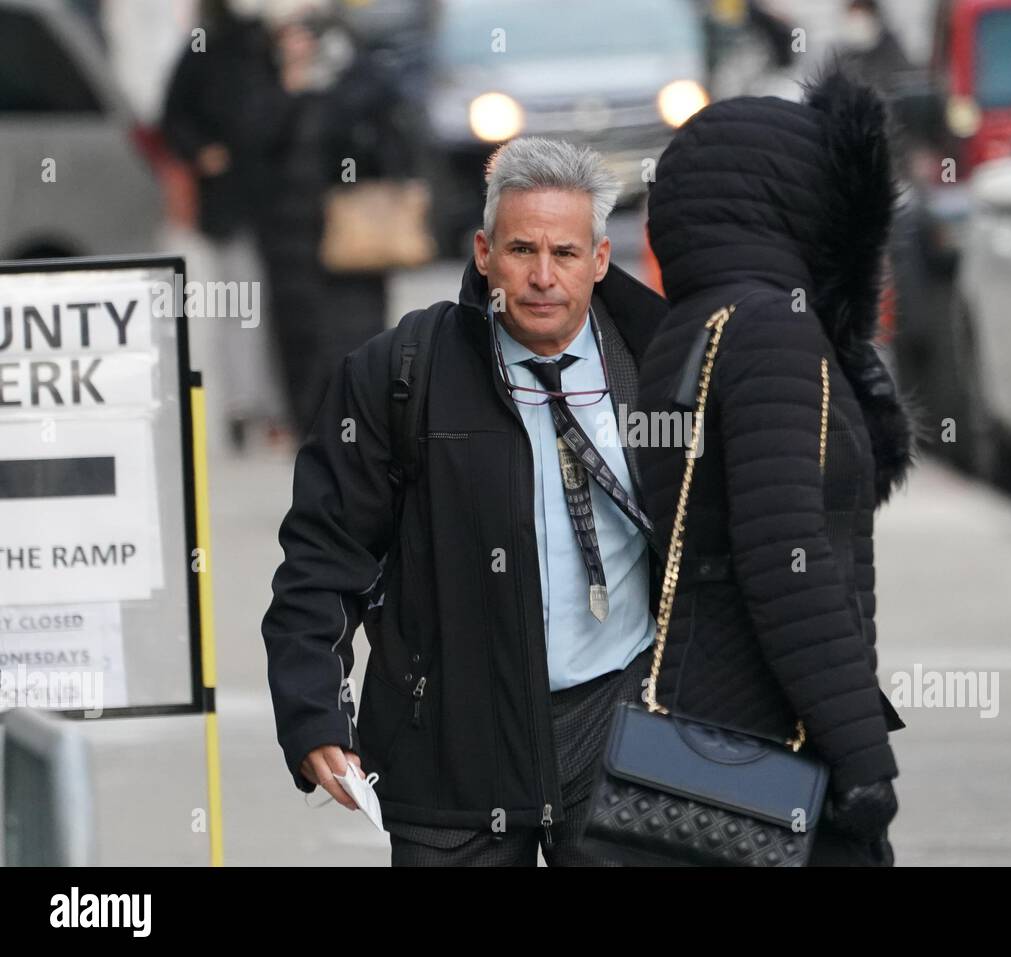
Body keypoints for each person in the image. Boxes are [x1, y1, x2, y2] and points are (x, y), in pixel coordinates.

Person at [261, 137, 670, 866]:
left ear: (601, 260)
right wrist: (313, 710)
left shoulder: (661, 369)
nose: (543, 276)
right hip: (451, 744)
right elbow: (324, 555)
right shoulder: (399, 372)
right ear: (484, 253)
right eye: (521, 249)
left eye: (566, 254)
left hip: (619, 726)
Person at [635, 60, 915, 866]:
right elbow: (785, 560)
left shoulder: (688, 332)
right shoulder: (770, 335)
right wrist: (862, 752)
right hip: (775, 747)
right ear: (802, 206)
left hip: (699, 738)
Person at [239, 0, 396, 441]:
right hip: (289, 240)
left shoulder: (356, 77)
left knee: (356, 336)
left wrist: (328, 85)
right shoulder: (266, 81)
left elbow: (381, 132)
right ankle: (310, 433)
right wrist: (291, 87)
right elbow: (252, 145)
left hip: (353, 237)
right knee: (299, 341)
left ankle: (359, 429)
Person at [160, 0, 289, 449]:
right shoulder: (208, 48)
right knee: (243, 305)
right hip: (233, 204)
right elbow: (173, 116)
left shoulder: (271, 47)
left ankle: (273, 407)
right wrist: (201, 153)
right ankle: (246, 406)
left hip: (278, 204)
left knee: (270, 307)